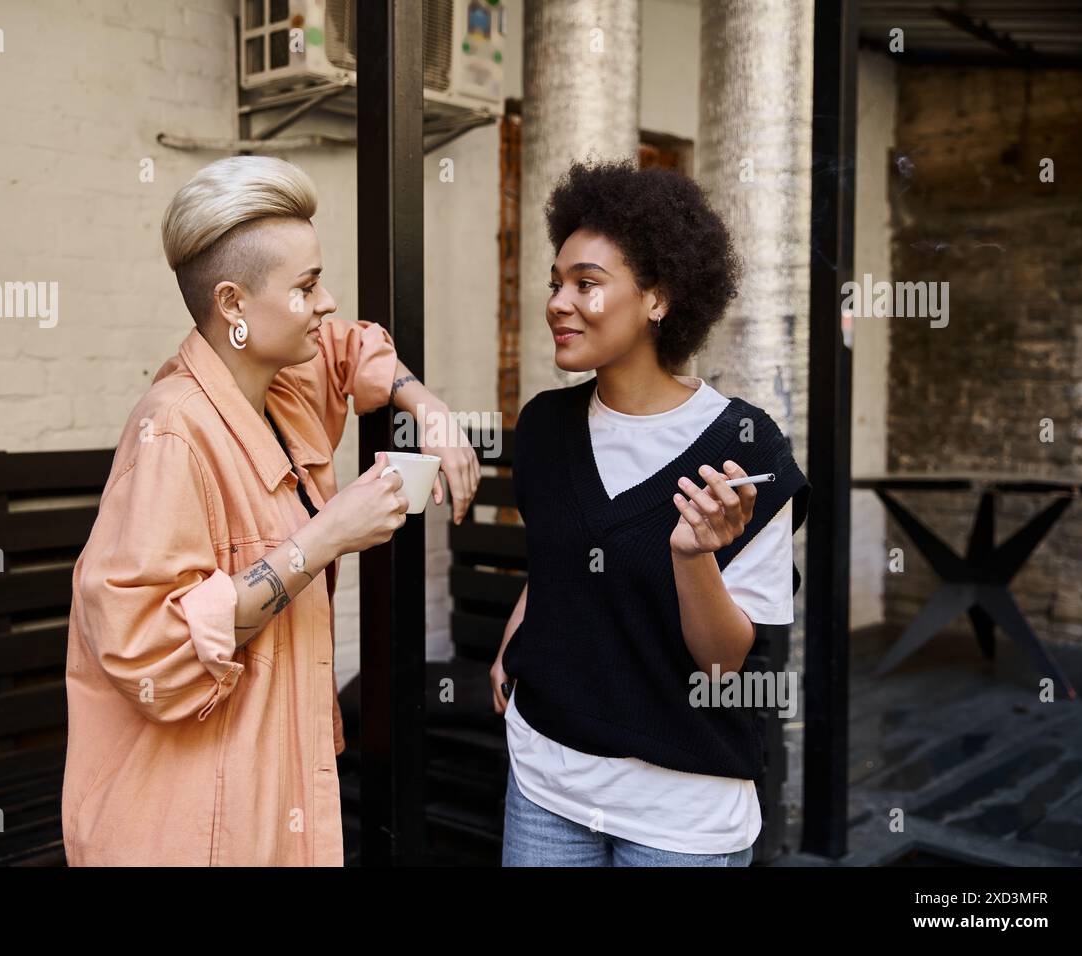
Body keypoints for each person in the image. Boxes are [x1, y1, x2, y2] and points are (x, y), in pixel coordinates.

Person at [62, 156, 480, 865]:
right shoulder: (173, 434)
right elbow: (147, 654)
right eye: (308, 286)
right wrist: (324, 540)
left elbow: (352, 344)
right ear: (232, 305)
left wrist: (424, 402)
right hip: (192, 821)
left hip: (271, 791)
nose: (326, 303)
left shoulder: (280, 385)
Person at [491, 159, 810, 867]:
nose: (557, 303)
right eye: (554, 283)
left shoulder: (743, 445)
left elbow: (724, 661)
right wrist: (518, 635)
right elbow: (560, 556)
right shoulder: (545, 426)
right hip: (547, 780)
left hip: (680, 812)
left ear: (658, 299)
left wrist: (693, 556)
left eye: (586, 284)